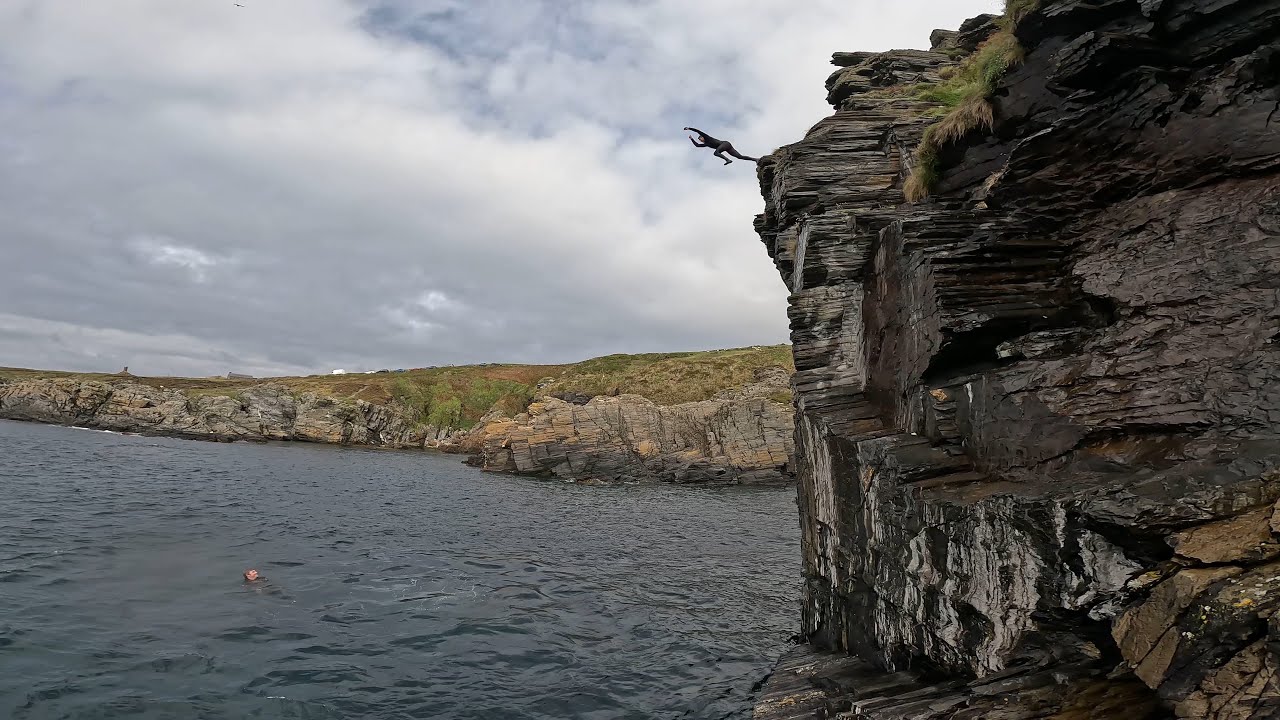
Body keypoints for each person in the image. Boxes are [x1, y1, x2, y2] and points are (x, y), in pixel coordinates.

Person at [684, 127, 758, 165]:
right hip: (727, 147)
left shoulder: (707, 137)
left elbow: (698, 131)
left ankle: (728, 160)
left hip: (725, 144)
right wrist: (691, 139)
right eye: (700, 140)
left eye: (700, 138)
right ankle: (756, 159)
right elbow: (697, 145)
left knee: (716, 153)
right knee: (739, 156)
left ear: (702, 137)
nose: (701, 140)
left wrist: (689, 128)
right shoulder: (706, 144)